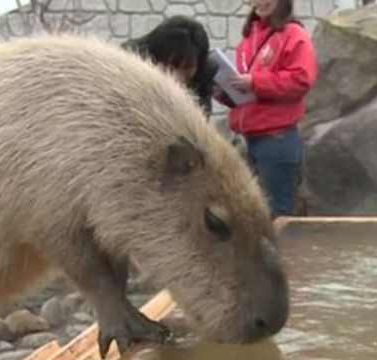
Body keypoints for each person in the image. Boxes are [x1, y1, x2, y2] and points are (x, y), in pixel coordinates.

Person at [216, 0, 317, 218]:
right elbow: (247, 94)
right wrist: (224, 94)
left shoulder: (294, 34)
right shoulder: (248, 37)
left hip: (276, 139)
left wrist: (255, 82)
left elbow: (301, 80)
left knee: (277, 214)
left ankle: (285, 253)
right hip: (247, 139)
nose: (259, 2)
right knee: (248, 214)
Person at [123, 15, 219, 118]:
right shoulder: (129, 61)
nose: (176, 77)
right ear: (154, 58)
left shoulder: (205, 74)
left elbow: (201, 120)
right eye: (170, 66)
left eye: (187, 67)